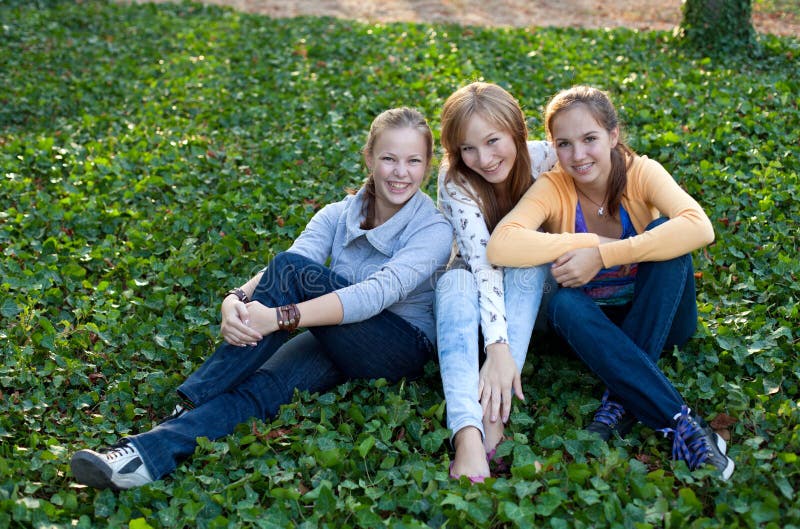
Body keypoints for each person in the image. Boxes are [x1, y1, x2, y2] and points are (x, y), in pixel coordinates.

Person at [70, 107, 454, 490]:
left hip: (396, 346)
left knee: (290, 271)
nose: (400, 172)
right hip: (335, 332)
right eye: (389, 158)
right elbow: (293, 262)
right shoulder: (338, 214)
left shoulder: (433, 229)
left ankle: (191, 398)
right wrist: (234, 297)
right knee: (262, 390)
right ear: (369, 157)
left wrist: (282, 317)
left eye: (413, 161)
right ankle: (141, 456)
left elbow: (374, 294)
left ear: (426, 165)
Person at [486, 85, 734, 480]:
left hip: (663, 317)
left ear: (613, 136)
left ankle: (620, 399)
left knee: (665, 233)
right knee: (564, 305)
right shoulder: (554, 186)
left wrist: (605, 255)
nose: (578, 155)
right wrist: (586, 242)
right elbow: (501, 245)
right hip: (597, 329)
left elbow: (699, 227)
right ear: (553, 147)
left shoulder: (641, 172)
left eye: (590, 139)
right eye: (564, 144)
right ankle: (685, 425)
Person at [435, 82, 557, 482]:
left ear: (517, 130)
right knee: (455, 283)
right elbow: (483, 264)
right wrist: (496, 345)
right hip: (469, 308)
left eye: (492, 141)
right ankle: (470, 438)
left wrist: (501, 349)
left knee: (525, 256)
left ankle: (493, 425)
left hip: (534, 301)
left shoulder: (548, 159)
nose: (483, 159)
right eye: (468, 148)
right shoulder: (457, 182)